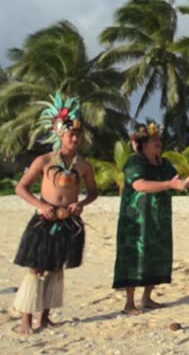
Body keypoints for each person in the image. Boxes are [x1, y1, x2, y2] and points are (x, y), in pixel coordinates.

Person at [13, 93, 97, 335]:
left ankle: (46, 317)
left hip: (69, 221)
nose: (75, 138)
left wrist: (82, 204)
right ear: (60, 134)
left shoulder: (84, 166)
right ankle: (26, 320)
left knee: (56, 268)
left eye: (78, 135)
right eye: (71, 134)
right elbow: (21, 187)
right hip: (44, 219)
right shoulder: (44, 160)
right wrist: (41, 205)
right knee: (36, 268)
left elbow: (93, 192)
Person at [113, 123, 189, 314]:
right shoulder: (135, 163)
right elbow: (139, 185)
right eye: (154, 141)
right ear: (143, 145)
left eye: (159, 140)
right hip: (136, 220)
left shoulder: (165, 164)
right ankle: (129, 303)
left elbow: (176, 182)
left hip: (158, 218)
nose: (159, 144)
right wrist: (170, 184)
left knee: (156, 255)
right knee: (134, 257)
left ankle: (147, 297)